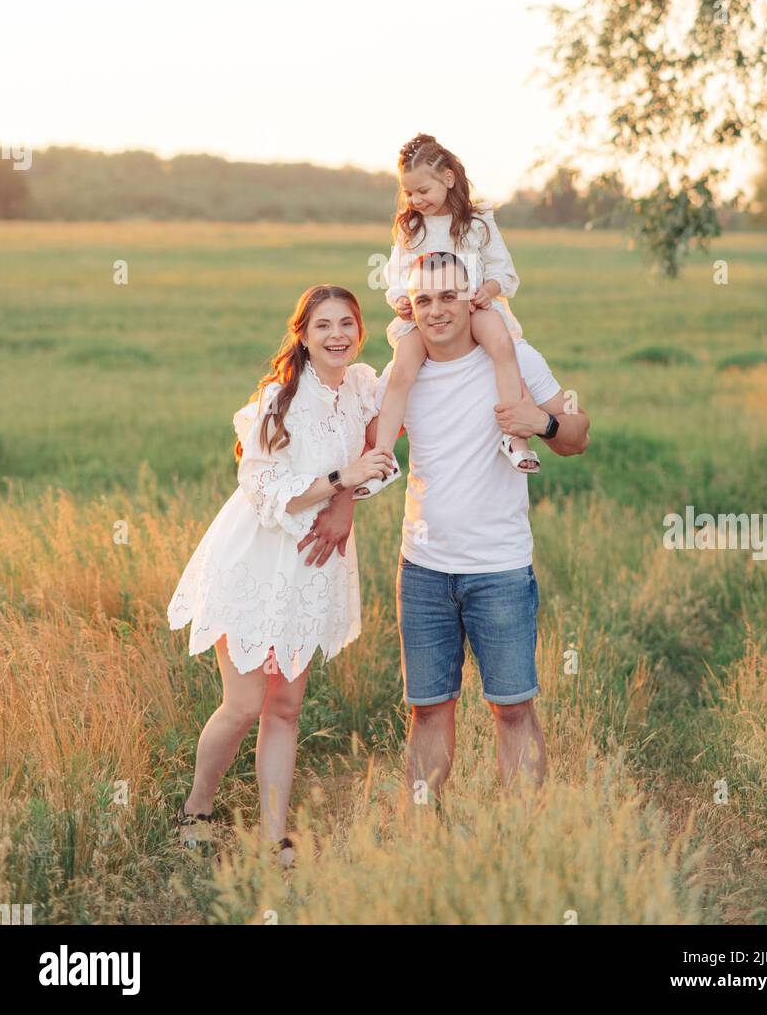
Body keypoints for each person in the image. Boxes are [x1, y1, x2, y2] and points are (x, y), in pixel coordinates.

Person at [166, 284, 392, 863]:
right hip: (256, 557)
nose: (337, 335)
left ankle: (272, 837)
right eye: (324, 325)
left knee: (285, 707)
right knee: (243, 704)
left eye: (347, 323)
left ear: (359, 331)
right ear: (304, 334)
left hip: (311, 565)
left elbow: (403, 396)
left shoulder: (363, 387)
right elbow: (263, 487)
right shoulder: (280, 399)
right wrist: (341, 482)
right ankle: (196, 807)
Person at [376, 250, 588, 798]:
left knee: (513, 708)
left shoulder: (514, 357)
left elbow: (577, 434)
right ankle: (422, 835)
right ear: (410, 306)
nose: (437, 311)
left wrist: (541, 422)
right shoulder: (404, 370)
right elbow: (361, 439)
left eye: (448, 297)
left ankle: (523, 842)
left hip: (499, 569)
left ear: (471, 297)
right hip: (422, 570)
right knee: (427, 711)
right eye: (424, 300)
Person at [352, 131, 540, 500]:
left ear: (448, 179)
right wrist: (400, 300)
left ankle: (514, 437)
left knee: (502, 345)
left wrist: (488, 290)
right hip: (426, 314)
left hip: (473, 306)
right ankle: (383, 458)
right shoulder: (411, 229)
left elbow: (503, 271)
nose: (415, 200)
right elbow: (396, 276)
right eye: (409, 193)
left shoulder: (478, 223)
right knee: (402, 368)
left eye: (423, 190)